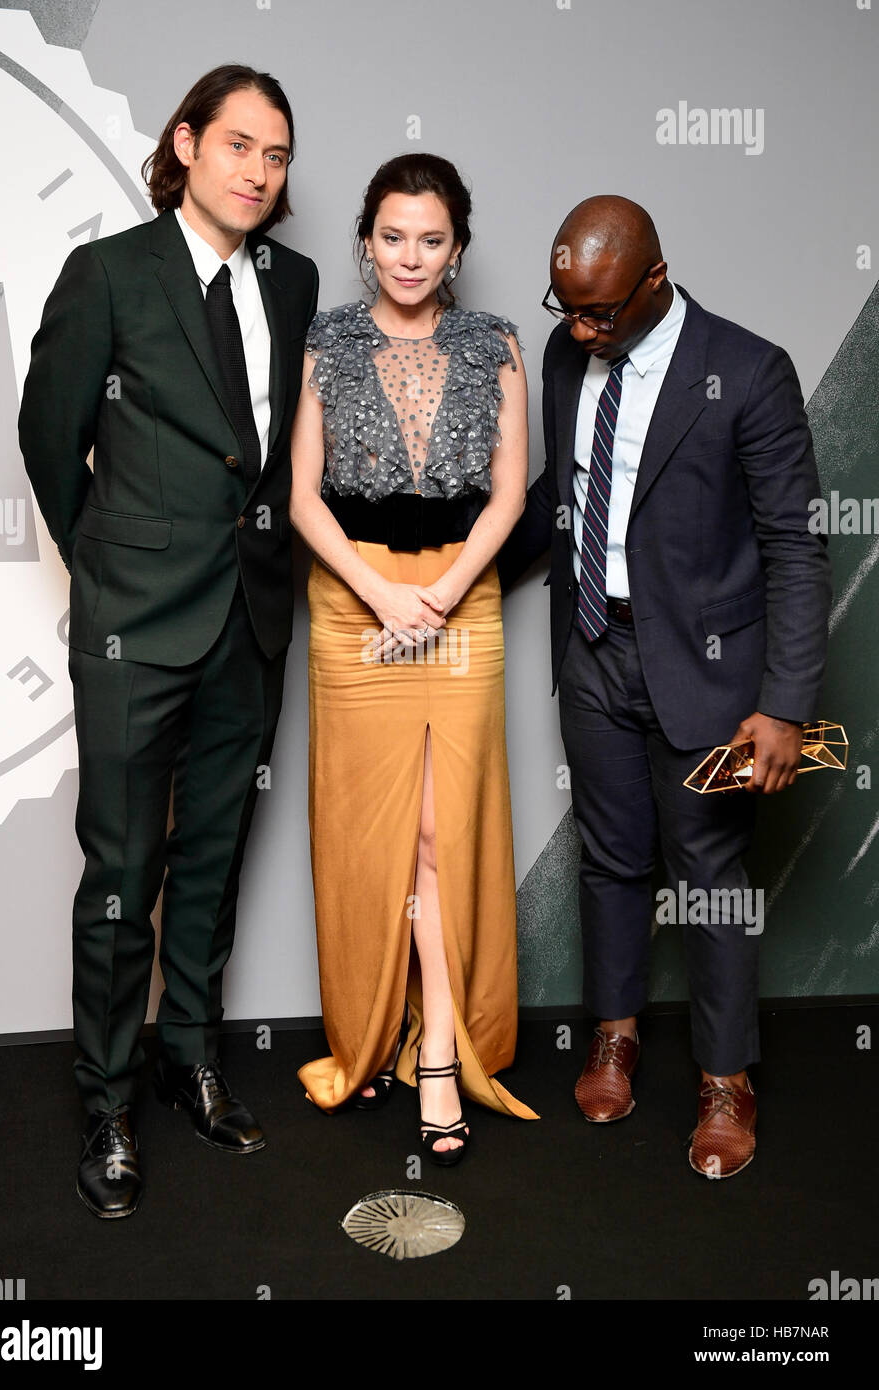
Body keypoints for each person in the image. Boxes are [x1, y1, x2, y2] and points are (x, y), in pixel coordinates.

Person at [18, 65, 319, 1217]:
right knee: (123, 869)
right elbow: (52, 439)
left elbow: (274, 446)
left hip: (250, 616)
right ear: (186, 145)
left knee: (211, 858)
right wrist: (107, 567)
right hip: (136, 625)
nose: (258, 170)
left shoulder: (291, 282)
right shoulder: (109, 273)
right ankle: (106, 1103)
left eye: (277, 154)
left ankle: (187, 1056)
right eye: (238, 144)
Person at [497, 195, 830, 1178]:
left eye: (599, 312)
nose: (582, 331)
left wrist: (782, 704)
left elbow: (794, 546)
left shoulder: (749, 370)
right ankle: (615, 1034)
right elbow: (560, 495)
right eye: (566, 311)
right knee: (610, 860)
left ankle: (726, 1080)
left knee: (713, 885)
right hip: (591, 648)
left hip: (709, 671)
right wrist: (452, 563)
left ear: (652, 280)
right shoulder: (568, 355)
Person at [289, 153, 538, 1164]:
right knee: (377, 835)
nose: (409, 256)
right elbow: (302, 496)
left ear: (457, 249)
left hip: (461, 605)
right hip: (355, 608)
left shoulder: (496, 344)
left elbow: (511, 493)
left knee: (441, 835)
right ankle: (389, 1038)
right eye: (392, 235)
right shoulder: (327, 340)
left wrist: (435, 595)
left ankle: (438, 1050)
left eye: (430, 239)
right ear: (365, 240)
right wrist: (383, 593)